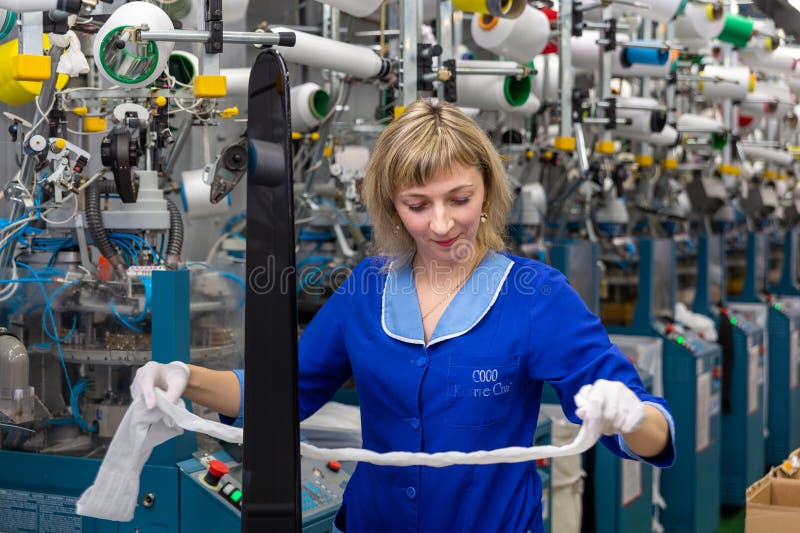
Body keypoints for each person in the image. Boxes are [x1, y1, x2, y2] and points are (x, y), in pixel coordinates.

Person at [133, 99, 675, 533]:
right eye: (418, 205)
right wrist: (184, 378)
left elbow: (650, 430)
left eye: (459, 198)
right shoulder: (367, 288)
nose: (442, 224)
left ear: (487, 187)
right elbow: (280, 393)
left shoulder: (535, 296)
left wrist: (629, 416)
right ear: (391, 205)